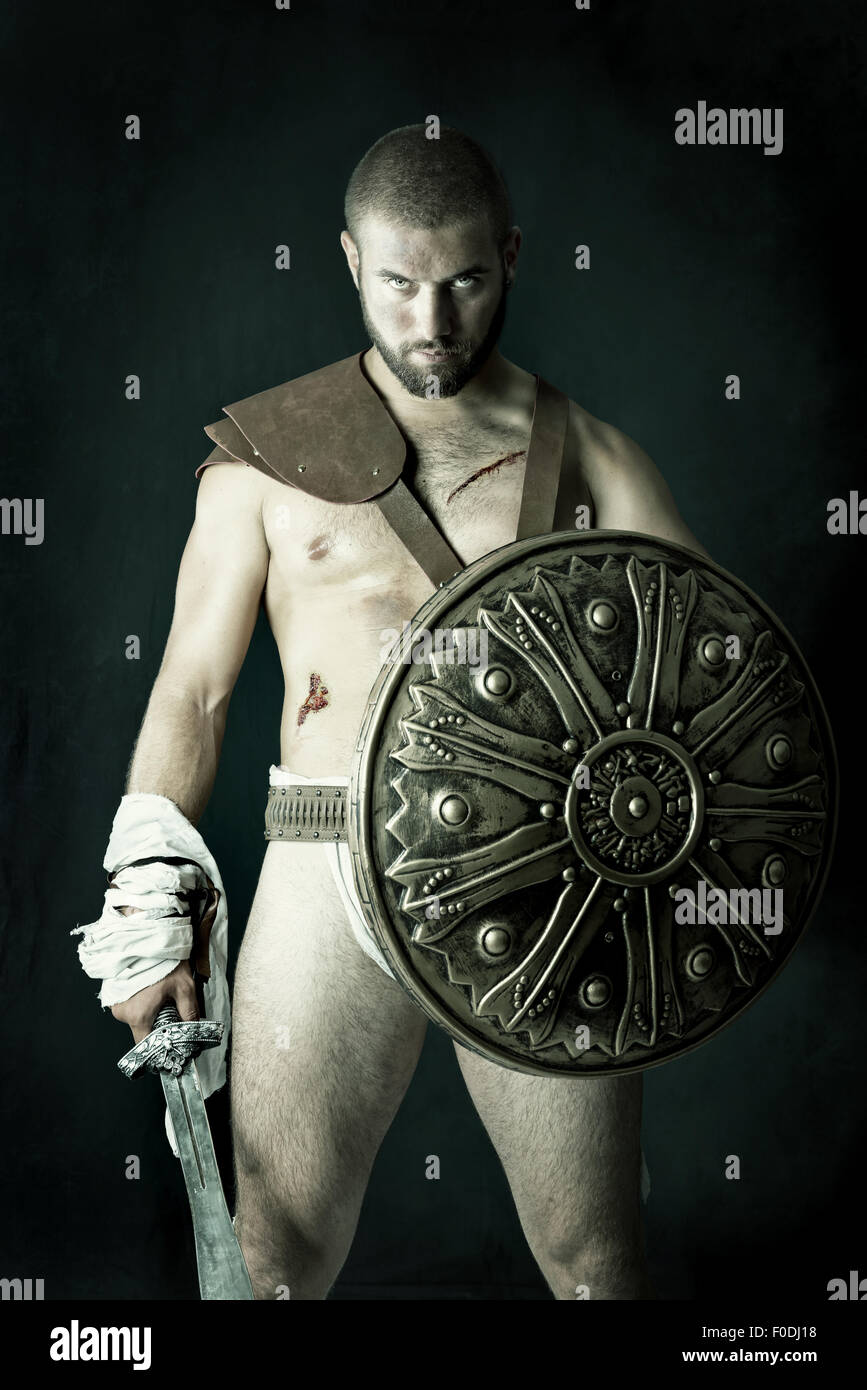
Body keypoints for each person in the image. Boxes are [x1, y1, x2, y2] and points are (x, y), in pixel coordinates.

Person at [91, 124, 707, 1300]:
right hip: (326, 854)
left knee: (595, 1268)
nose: (433, 322)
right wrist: (151, 894)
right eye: (399, 284)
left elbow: (716, 693)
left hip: (545, 872)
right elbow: (194, 691)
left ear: (512, 256)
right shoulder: (265, 462)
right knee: (272, 1259)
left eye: (465, 281)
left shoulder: (600, 463)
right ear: (348, 262)